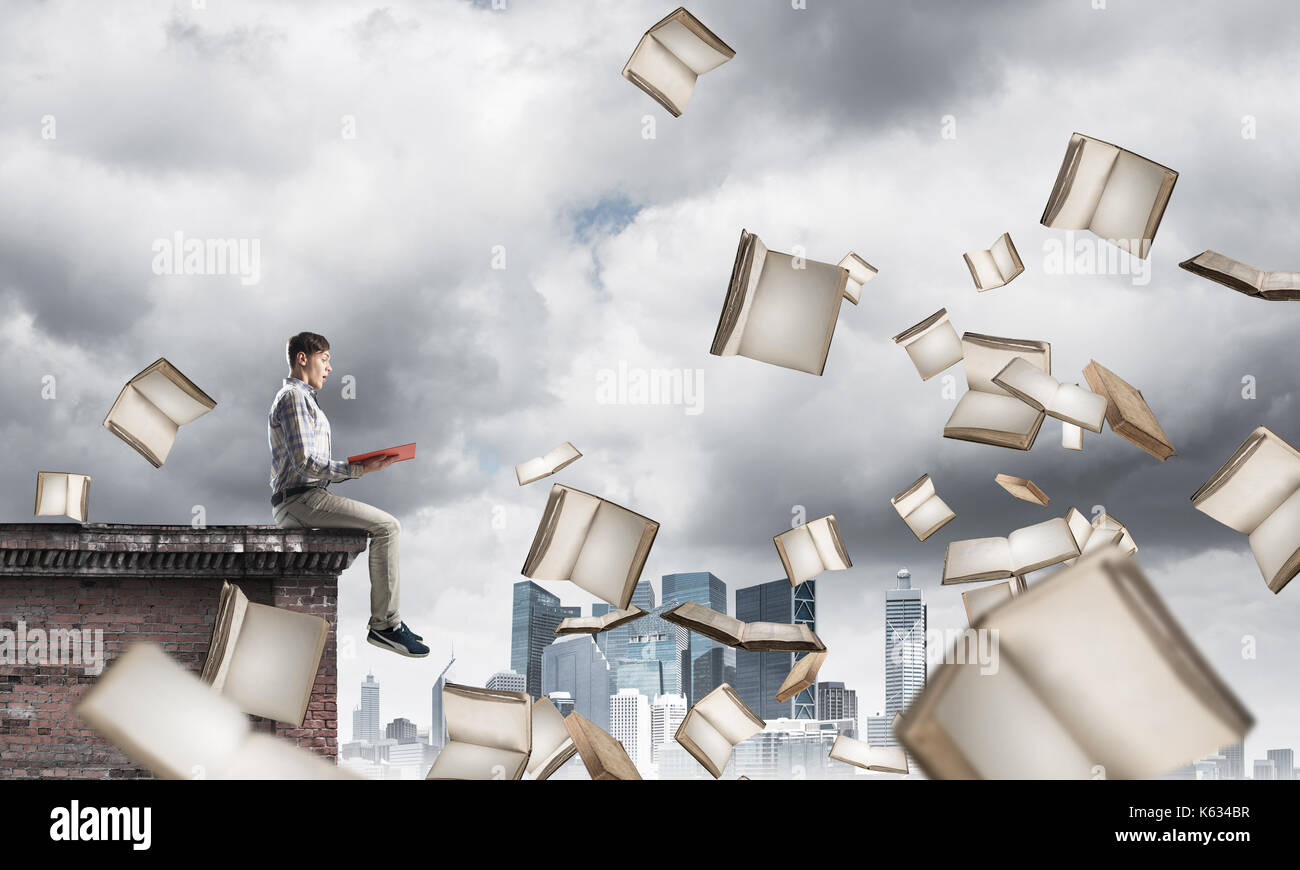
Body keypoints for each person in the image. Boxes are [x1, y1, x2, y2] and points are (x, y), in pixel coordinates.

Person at [267, 331, 428, 657]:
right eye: (324, 359)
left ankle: (387, 623)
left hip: (306, 497)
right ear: (303, 358)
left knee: (385, 526)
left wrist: (363, 465)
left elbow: (311, 465)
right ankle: (386, 626)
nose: (329, 368)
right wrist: (360, 469)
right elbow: (305, 464)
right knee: (388, 527)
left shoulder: (305, 399)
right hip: (301, 500)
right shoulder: (294, 398)